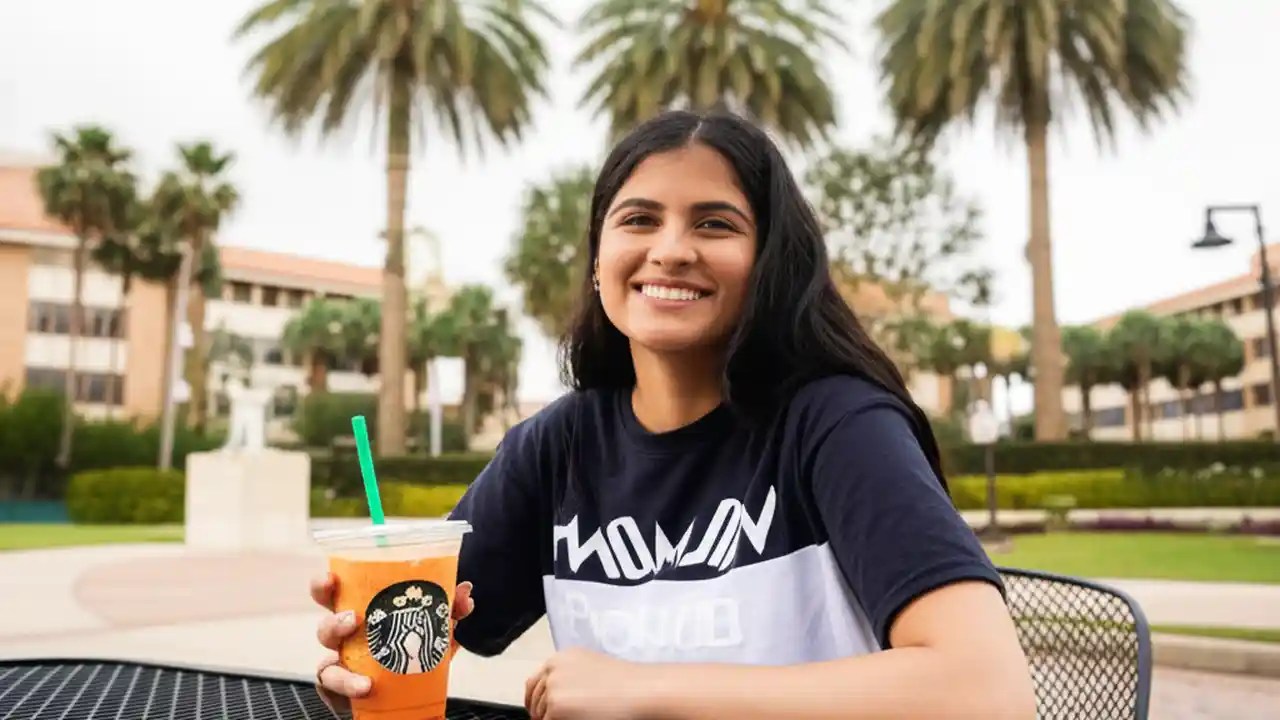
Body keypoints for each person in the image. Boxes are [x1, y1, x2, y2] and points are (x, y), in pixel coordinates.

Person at [311, 110, 1037, 720]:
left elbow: (987, 690)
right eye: (638, 219)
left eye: (715, 225)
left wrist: (642, 689)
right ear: (600, 261)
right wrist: (361, 658)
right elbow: (427, 628)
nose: (670, 250)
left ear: (769, 261)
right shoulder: (557, 446)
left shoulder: (837, 425)